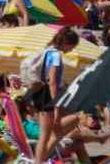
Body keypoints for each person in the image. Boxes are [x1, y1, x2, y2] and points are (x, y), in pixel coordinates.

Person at [30, 27, 80, 163]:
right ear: (66, 43)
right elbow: (52, 81)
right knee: (45, 136)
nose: (72, 49)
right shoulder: (56, 55)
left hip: (40, 93)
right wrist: (56, 104)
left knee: (49, 133)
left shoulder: (47, 51)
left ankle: (42, 159)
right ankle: (39, 161)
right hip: (48, 96)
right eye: (72, 46)